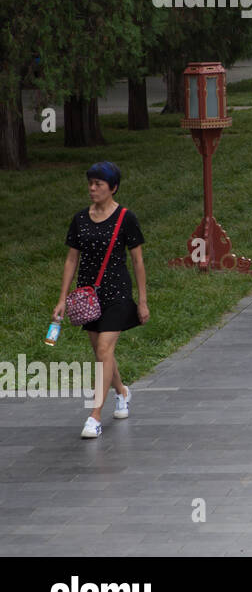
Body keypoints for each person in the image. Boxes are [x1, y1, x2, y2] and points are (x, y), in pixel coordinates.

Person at [54, 162, 148, 439]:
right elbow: (72, 259)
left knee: (105, 348)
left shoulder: (126, 218)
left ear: (113, 187)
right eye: (90, 183)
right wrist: (62, 298)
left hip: (117, 292)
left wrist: (142, 301)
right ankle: (123, 392)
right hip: (89, 296)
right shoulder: (80, 219)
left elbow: (138, 261)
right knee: (100, 351)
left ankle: (95, 415)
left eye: (99, 184)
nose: (92, 188)